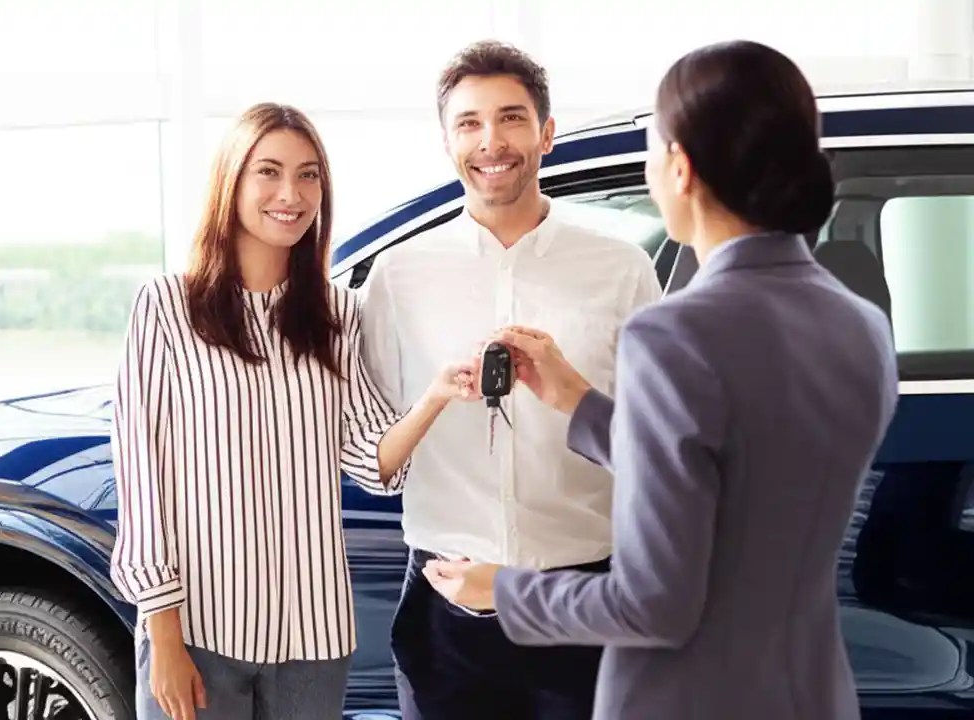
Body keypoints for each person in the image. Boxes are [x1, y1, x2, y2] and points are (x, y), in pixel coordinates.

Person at [423, 40, 900, 720]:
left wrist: (503, 590)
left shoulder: (675, 335)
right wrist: (579, 404)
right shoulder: (860, 326)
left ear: (679, 168)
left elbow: (652, 606)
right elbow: (731, 476)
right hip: (811, 692)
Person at [109, 102, 477, 720]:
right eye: (270, 172)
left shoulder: (335, 315)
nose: (291, 193)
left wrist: (436, 395)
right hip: (199, 629)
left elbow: (368, 457)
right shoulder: (167, 308)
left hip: (313, 634)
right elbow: (142, 475)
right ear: (232, 181)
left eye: (309, 175)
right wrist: (162, 630)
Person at [358, 41, 662, 719]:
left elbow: (654, 438)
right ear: (447, 142)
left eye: (511, 118)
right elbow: (375, 438)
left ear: (546, 134)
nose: (491, 140)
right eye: (469, 123)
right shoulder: (398, 276)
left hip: (583, 598)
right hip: (447, 604)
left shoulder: (621, 270)